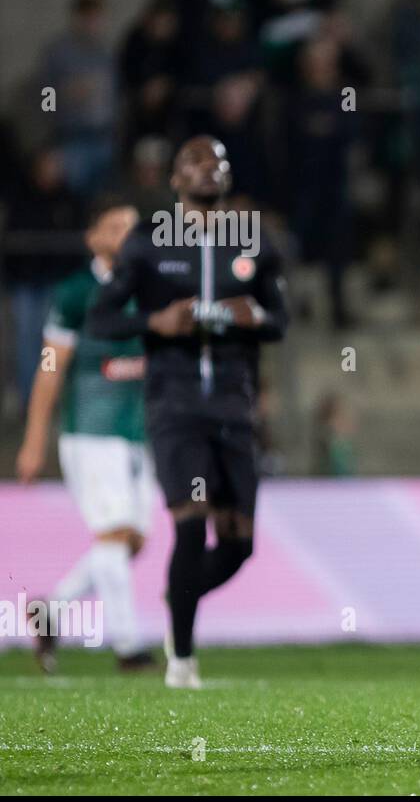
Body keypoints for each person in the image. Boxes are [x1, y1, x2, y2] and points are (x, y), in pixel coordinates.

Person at [87, 136, 289, 689]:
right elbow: (101, 320)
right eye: (196, 161)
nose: (209, 168)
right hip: (175, 405)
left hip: (234, 404)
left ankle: (178, 595)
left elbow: (280, 321)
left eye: (219, 161)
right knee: (191, 525)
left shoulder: (253, 239)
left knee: (239, 543)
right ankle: (181, 659)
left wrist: (253, 317)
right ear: (174, 180)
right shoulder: (149, 242)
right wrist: (154, 323)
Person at [16, 198, 157, 673]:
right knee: (115, 534)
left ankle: (50, 611)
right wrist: (35, 439)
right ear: (92, 237)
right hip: (91, 432)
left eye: (132, 228)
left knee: (132, 540)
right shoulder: (76, 293)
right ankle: (129, 649)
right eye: (115, 227)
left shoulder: (149, 287)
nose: (125, 236)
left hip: (137, 432)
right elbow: (51, 367)